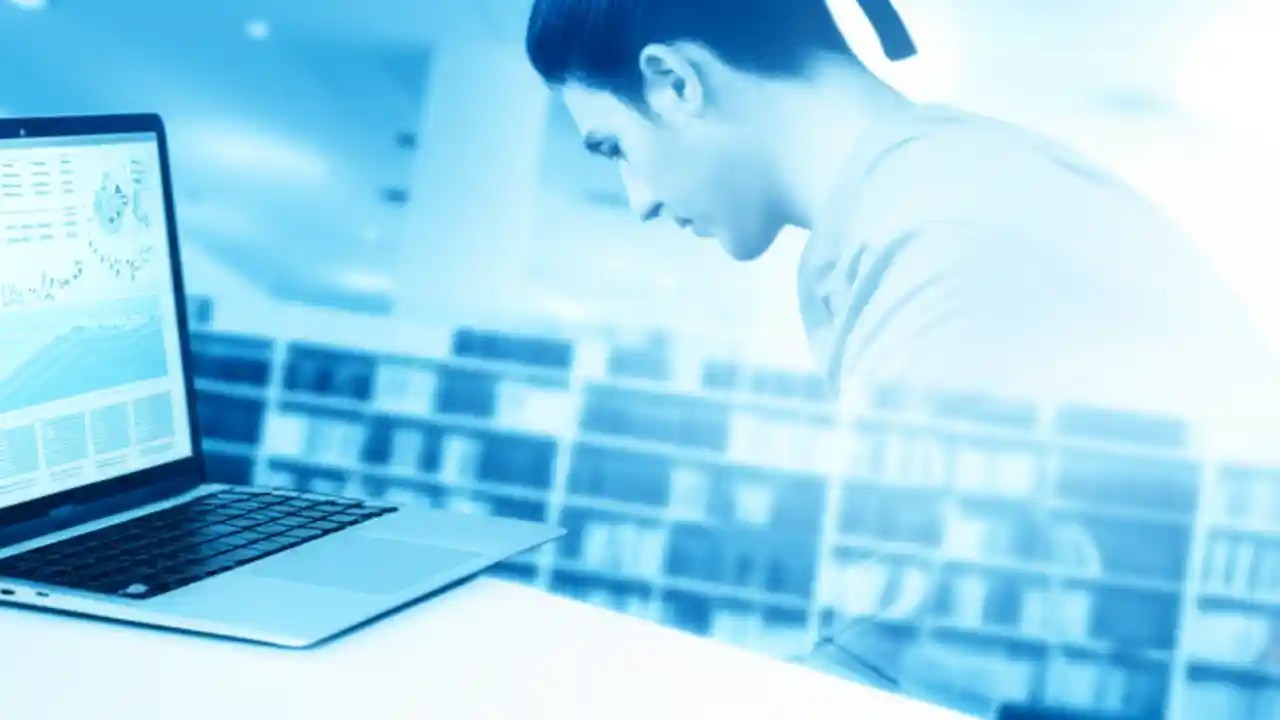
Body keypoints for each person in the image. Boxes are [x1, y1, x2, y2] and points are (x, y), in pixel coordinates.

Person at [524, 0, 1280, 715]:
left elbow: (896, 656)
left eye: (614, 148)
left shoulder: (940, 240)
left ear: (674, 81)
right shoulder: (936, 193)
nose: (638, 201)